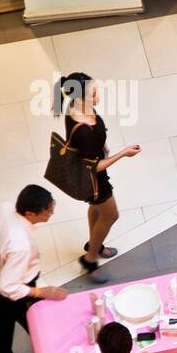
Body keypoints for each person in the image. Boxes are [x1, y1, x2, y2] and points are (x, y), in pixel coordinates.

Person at [0, 185, 68, 353]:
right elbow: (8, 287)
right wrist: (39, 291)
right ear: (30, 213)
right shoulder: (20, 245)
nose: (52, 212)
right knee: (27, 325)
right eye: (48, 210)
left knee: (4, 331)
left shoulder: (5, 209)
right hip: (13, 288)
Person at [58, 72, 141, 281]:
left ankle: (94, 244)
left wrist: (102, 145)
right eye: (94, 93)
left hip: (91, 174)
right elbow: (94, 168)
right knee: (111, 215)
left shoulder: (78, 108)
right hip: (93, 178)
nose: (98, 96)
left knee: (96, 207)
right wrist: (123, 153)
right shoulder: (83, 130)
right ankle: (91, 258)